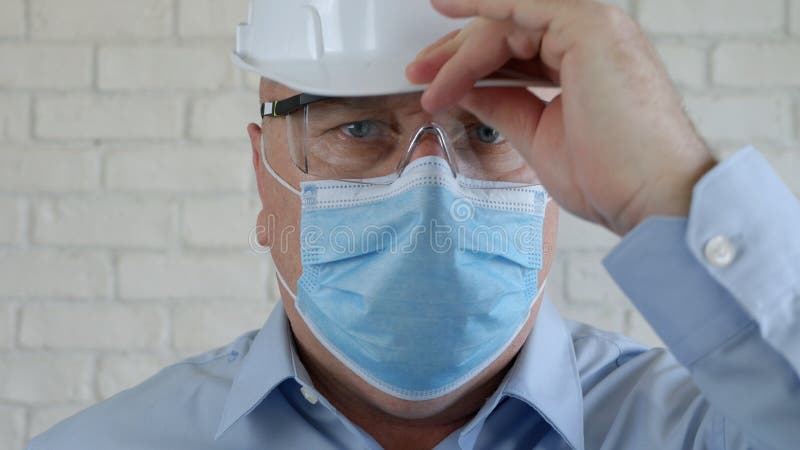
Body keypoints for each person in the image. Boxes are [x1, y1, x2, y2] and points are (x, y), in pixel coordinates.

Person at [28, 0, 800, 449]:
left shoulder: (707, 428)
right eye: (359, 129)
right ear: (264, 175)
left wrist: (667, 187)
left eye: (488, 131)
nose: (432, 190)